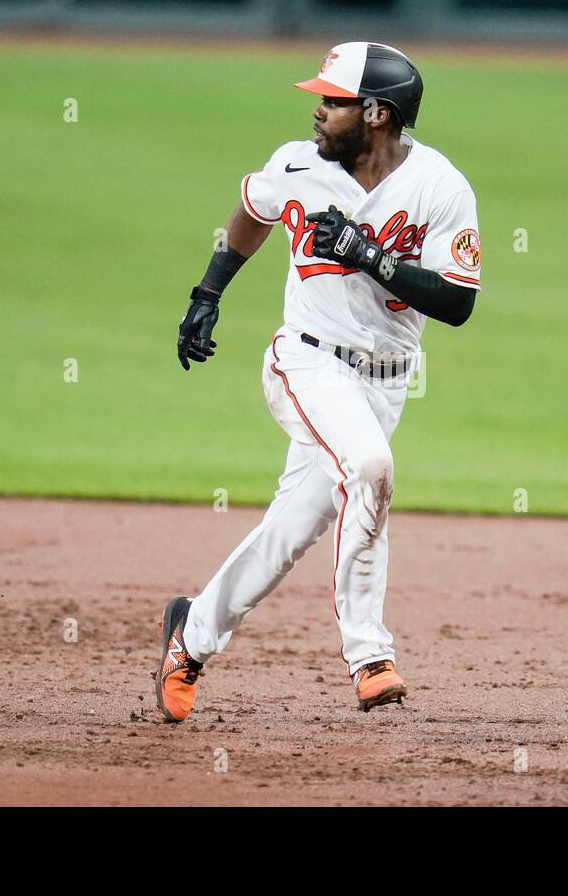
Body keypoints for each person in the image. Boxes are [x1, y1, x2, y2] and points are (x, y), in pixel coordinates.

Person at [158, 42, 483, 721]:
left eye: (333, 101)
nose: (317, 110)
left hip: (386, 385)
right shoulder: (297, 163)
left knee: (293, 527)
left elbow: (458, 302)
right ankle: (371, 657)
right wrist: (208, 292)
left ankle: (189, 637)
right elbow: (252, 209)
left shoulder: (440, 187)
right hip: (304, 361)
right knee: (369, 467)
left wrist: (370, 256)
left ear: (377, 115)